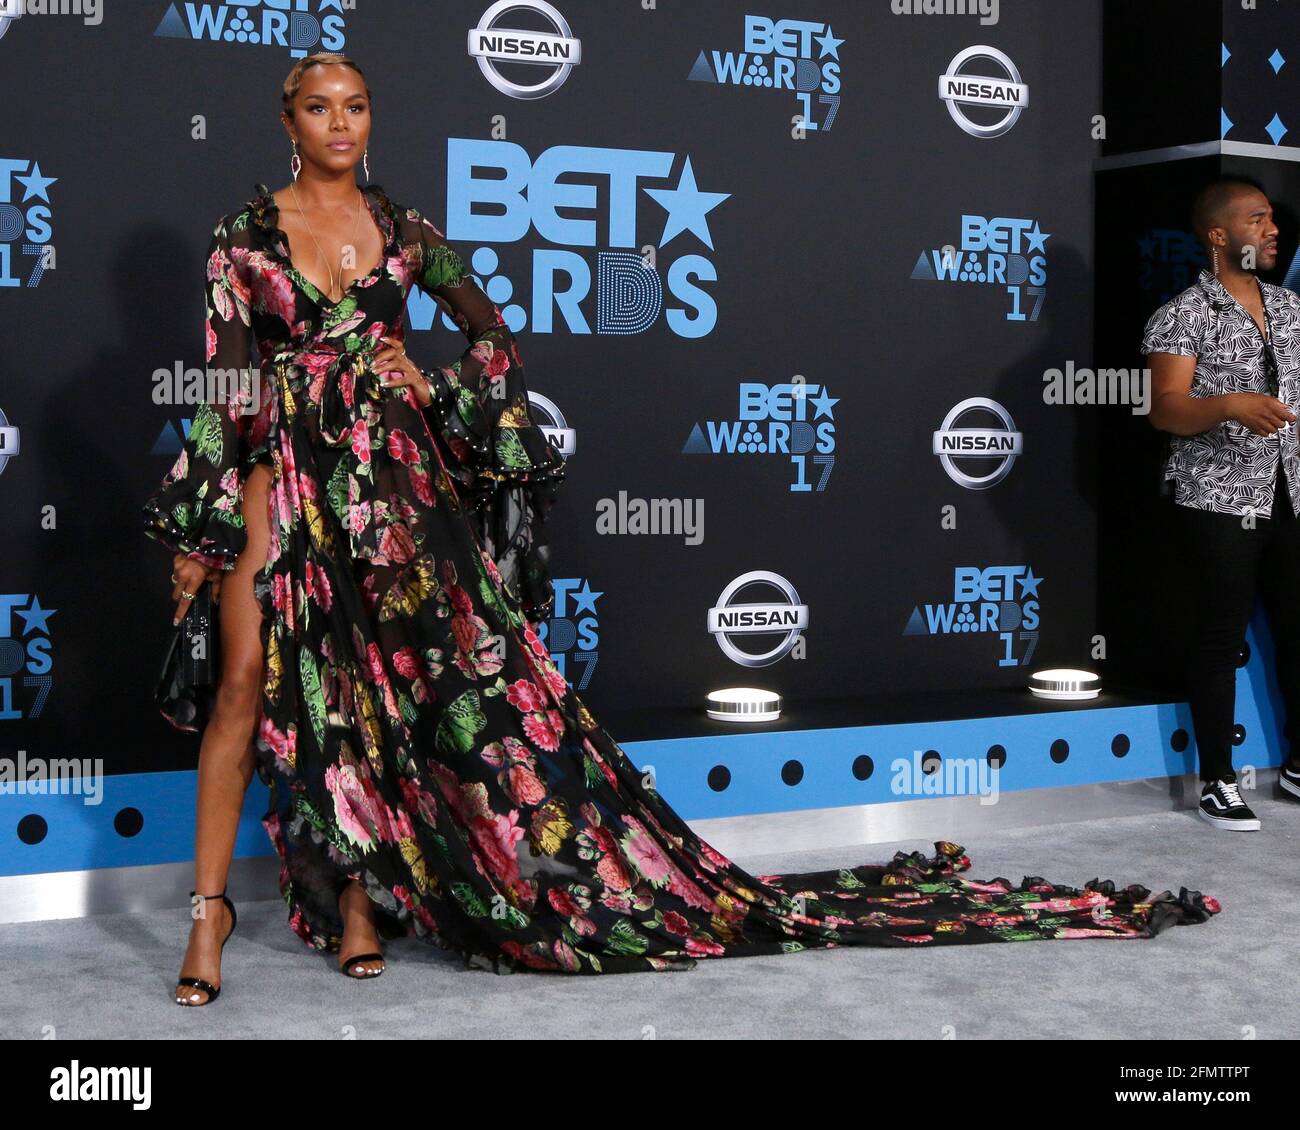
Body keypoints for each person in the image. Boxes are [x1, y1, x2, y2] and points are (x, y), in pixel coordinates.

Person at [145, 53, 1220, 1005]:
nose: (342, 123)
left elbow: (493, 335)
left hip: (394, 485)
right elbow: (224, 382)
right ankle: (209, 909)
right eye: (321, 108)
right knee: (250, 680)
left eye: (359, 106)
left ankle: (363, 902)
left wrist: (420, 379)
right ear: (286, 122)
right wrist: (202, 522)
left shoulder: (402, 227)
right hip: (284, 473)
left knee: (404, 694)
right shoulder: (244, 236)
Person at [1144, 177, 1300, 830]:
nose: (1271, 231)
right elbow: (1165, 409)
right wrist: (1231, 404)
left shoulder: (1292, 309)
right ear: (1218, 236)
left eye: (1272, 220)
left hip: (1290, 493)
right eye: (1256, 219)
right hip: (1215, 497)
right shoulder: (1181, 314)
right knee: (1220, 638)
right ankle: (1216, 779)